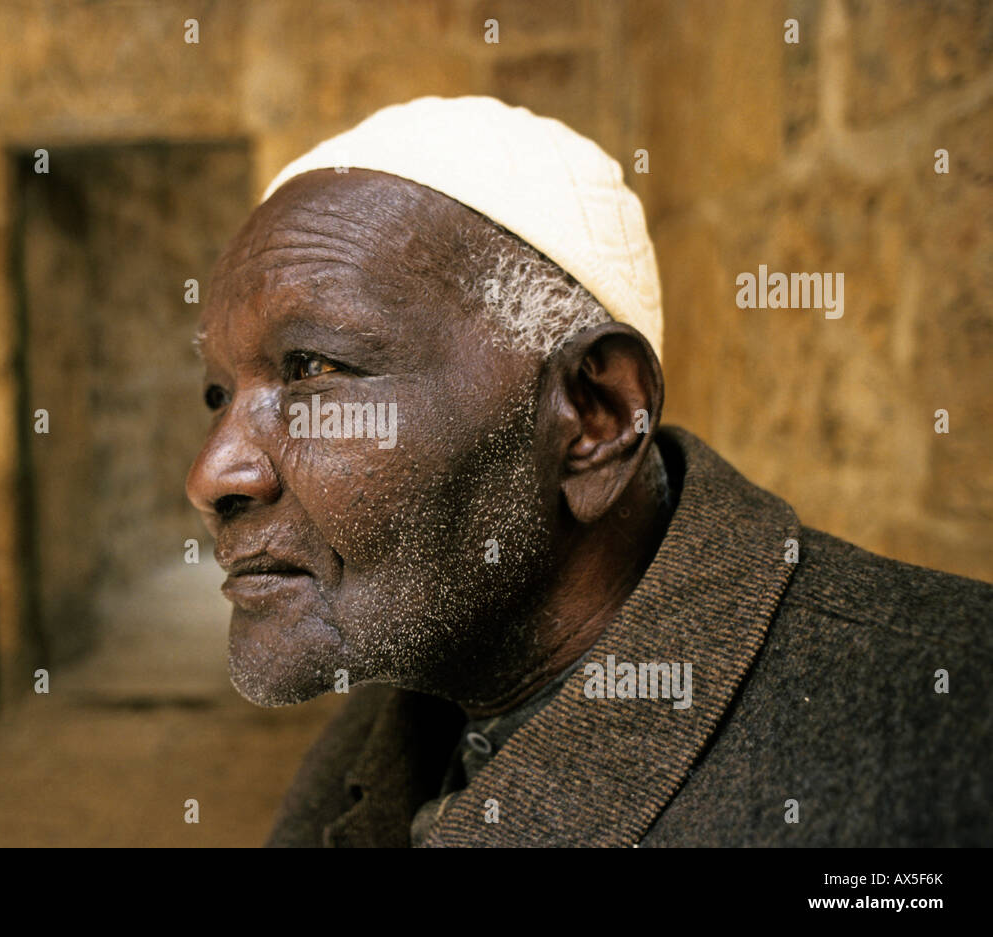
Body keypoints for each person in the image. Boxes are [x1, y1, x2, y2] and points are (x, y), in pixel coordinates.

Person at [185, 97, 992, 847]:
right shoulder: (397, 716)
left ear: (594, 419)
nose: (213, 472)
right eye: (220, 392)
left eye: (315, 369)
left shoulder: (947, 732)